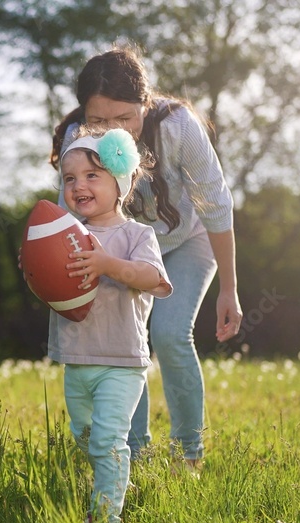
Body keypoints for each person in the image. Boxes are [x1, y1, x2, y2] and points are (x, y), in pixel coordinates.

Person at [51, 46, 243, 472]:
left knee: (171, 333)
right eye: (100, 120)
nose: (115, 130)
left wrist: (229, 289)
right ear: (85, 113)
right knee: (122, 342)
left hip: (186, 241)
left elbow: (216, 205)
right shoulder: (78, 142)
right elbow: (69, 222)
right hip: (118, 248)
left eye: (126, 118)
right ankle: (132, 454)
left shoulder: (177, 126)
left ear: (146, 103)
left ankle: (188, 455)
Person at [48, 126, 173, 523]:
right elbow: (50, 280)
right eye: (69, 179)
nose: (78, 186)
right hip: (77, 358)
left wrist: (107, 265)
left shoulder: (137, 234)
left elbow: (152, 278)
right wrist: (37, 265)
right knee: (85, 438)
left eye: (90, 175)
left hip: (121, 362)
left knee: (107, 441)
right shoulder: (65, 235)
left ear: (120, 183)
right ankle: (117, 481)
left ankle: (104, 520)